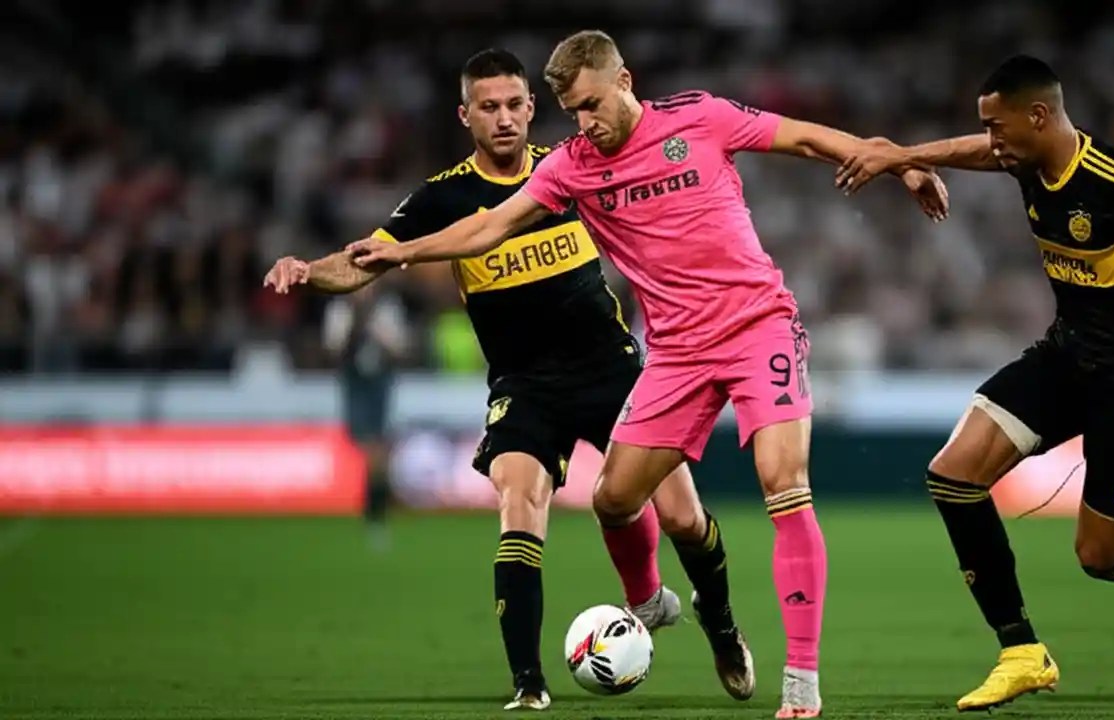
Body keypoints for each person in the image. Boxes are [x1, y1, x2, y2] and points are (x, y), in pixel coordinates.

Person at [344, 30, 949, 720]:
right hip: (676, 355)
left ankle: (802, 684)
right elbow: (489, 227)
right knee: (613, 501)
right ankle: (650, 602)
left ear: (626, 80)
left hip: (758, 328)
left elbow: (807, 139)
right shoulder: (573, 165)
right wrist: (400, 254)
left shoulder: (701, 117)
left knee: (785, 486)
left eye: (594, 105)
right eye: (573, 113)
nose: (586, 124)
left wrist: (899, 164)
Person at [264, 49, 737, 713]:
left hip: (613, 371)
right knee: (518, 506)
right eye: (489, 107)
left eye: (515, 104)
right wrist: (310, 270)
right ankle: (529, 684)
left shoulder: (569, 167)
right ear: (466, 116)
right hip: (525, 384)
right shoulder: (442, 199)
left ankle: (720, 626)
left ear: (532, 108)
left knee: (685, 516)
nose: (505, 118)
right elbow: (363, 261)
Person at [837, 55, 1114, 712]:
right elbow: (975, 153)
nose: (990, 138)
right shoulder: (1024, 159)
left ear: (1038, 116)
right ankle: (1021, 651)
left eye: (997, 124)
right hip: (1068, 358)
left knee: (1102, 555)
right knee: (953, 475)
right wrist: (902, 157)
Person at [322, 282, 410, 544]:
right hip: (354, 381)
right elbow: (333, 349)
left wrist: (376, 330)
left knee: (378, 446)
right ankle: (375, 505)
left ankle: (376, 509)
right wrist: (357, 322)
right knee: (365, 443)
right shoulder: (340, 310)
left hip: (381, 380)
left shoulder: (387, 309)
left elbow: (398, 347)